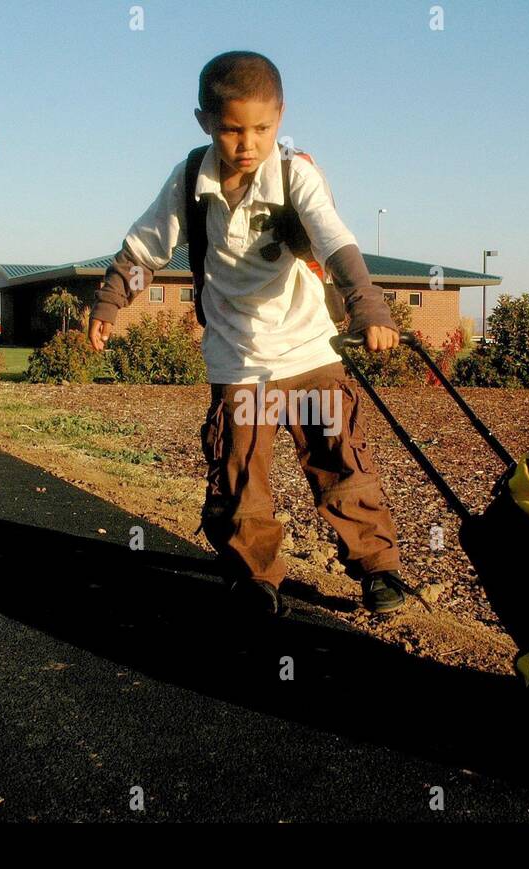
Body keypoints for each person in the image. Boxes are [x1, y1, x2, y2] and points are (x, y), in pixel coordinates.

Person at [90, 51, 411, 617]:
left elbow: (337, 243)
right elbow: (145, 250)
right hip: (237, 360)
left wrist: (370, 308)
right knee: (239, 478)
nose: (247, 143)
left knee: (341, 460)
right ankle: (254, 578)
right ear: (204, 122)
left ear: (280, 117)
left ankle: (377, 571)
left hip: (310, 349)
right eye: (232, 128)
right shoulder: (190, 178)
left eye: (262, 128)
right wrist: (112, 300)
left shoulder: (295, 174)